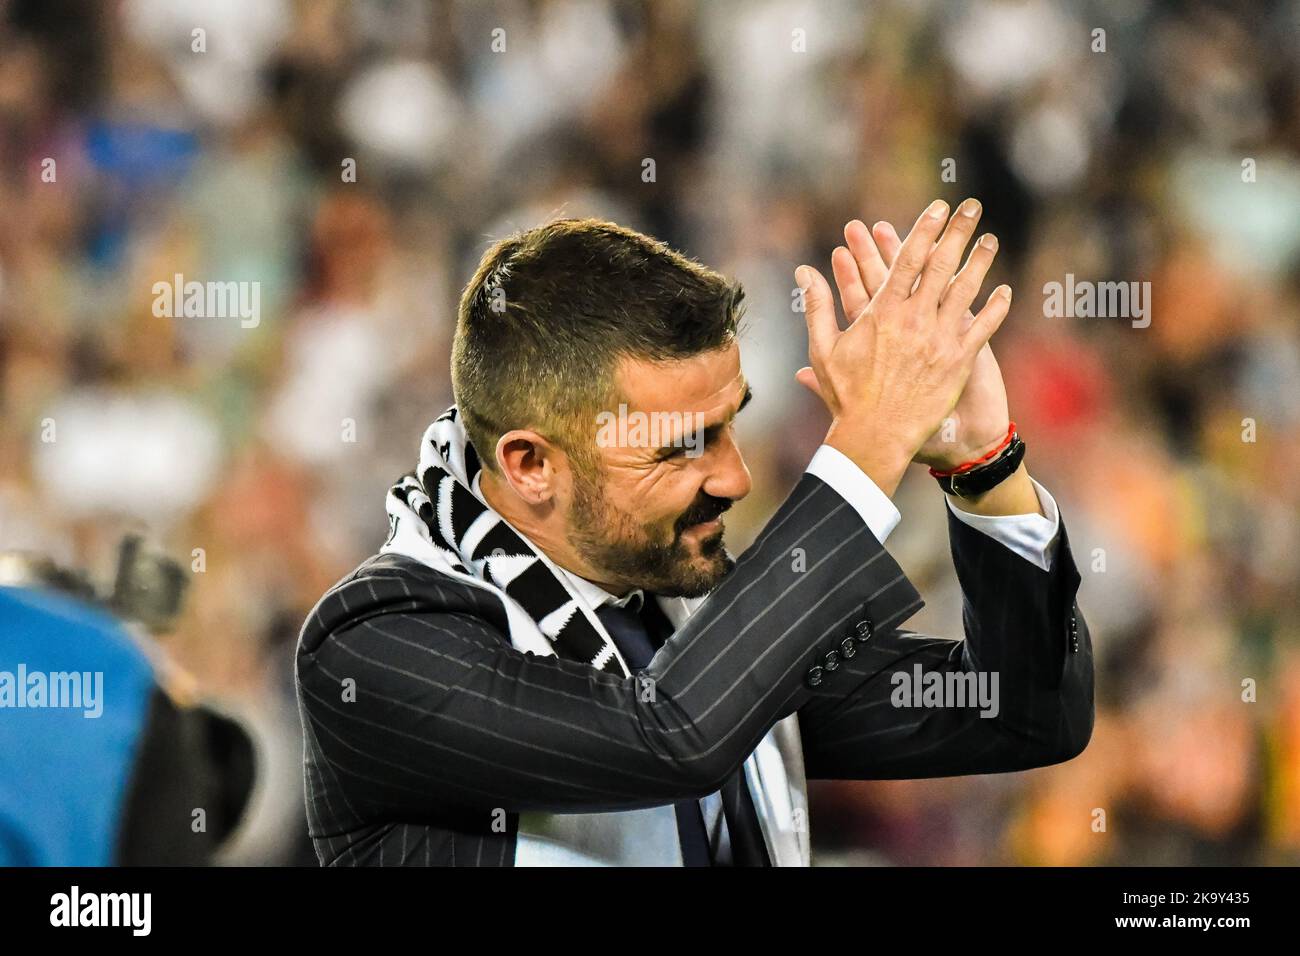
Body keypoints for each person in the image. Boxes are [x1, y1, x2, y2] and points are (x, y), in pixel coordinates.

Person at [295, 199, 1093, 866]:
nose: (735, 477)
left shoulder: (687, 615)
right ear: (532, 462)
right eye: (684, 443)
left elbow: (1016, 711)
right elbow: (666, 731)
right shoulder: (373, 647)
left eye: (730, 426)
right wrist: (870, 443)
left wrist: (984, 466)